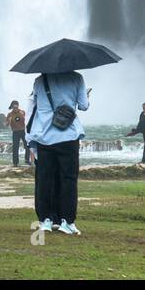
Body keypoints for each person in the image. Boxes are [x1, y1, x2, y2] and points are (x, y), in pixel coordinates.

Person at [26, 71, 91, 236]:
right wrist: (85, 96)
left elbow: (36, 105)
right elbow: (83, 106)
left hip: (44, 137)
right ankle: (67, 221)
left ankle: (45, 220)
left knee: (44, 179)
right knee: (68, 179)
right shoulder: (77, 78)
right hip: (68, 136)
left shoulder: (39, 81)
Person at [6, 100, 30, 166]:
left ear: (18, 106)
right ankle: (15, 163)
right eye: (14, 108)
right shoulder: (10, 114)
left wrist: (24, 116)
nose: (15, 109)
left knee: (27, 146)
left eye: (16, 107)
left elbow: (28, 120)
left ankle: (27, 160)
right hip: (15, 132)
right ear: (12, 107)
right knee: (15, 147)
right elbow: (6, 124)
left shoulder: (22, 112)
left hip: (23, 131)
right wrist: (8, 121)